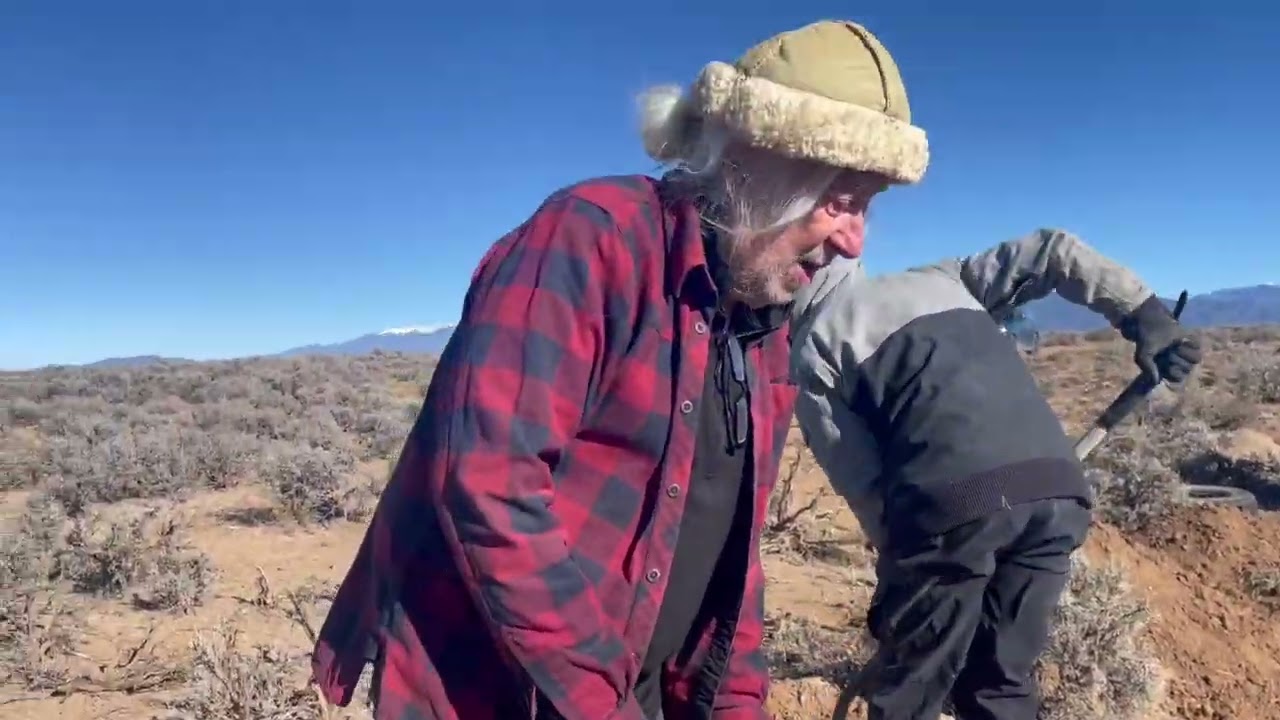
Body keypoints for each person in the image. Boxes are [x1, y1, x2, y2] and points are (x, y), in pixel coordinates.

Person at [310, 19, 930, 720]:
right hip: (500, 692)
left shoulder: (763, 328)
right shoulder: (594, 238)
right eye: (842, 200)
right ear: (762, 165)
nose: (854, 242)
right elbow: (488, 480)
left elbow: (736, 562)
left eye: (868, 208)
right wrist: (600, 705)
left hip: (633, 692)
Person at [787, 230, 1202, 720]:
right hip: (1057, 490)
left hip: (953, 505)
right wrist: (1145, 315)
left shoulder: (814, 347)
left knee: (910, 693)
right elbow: (1052, 250)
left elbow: (864, 482)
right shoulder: (946, 280)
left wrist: (900, 578)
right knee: (1000, 686)